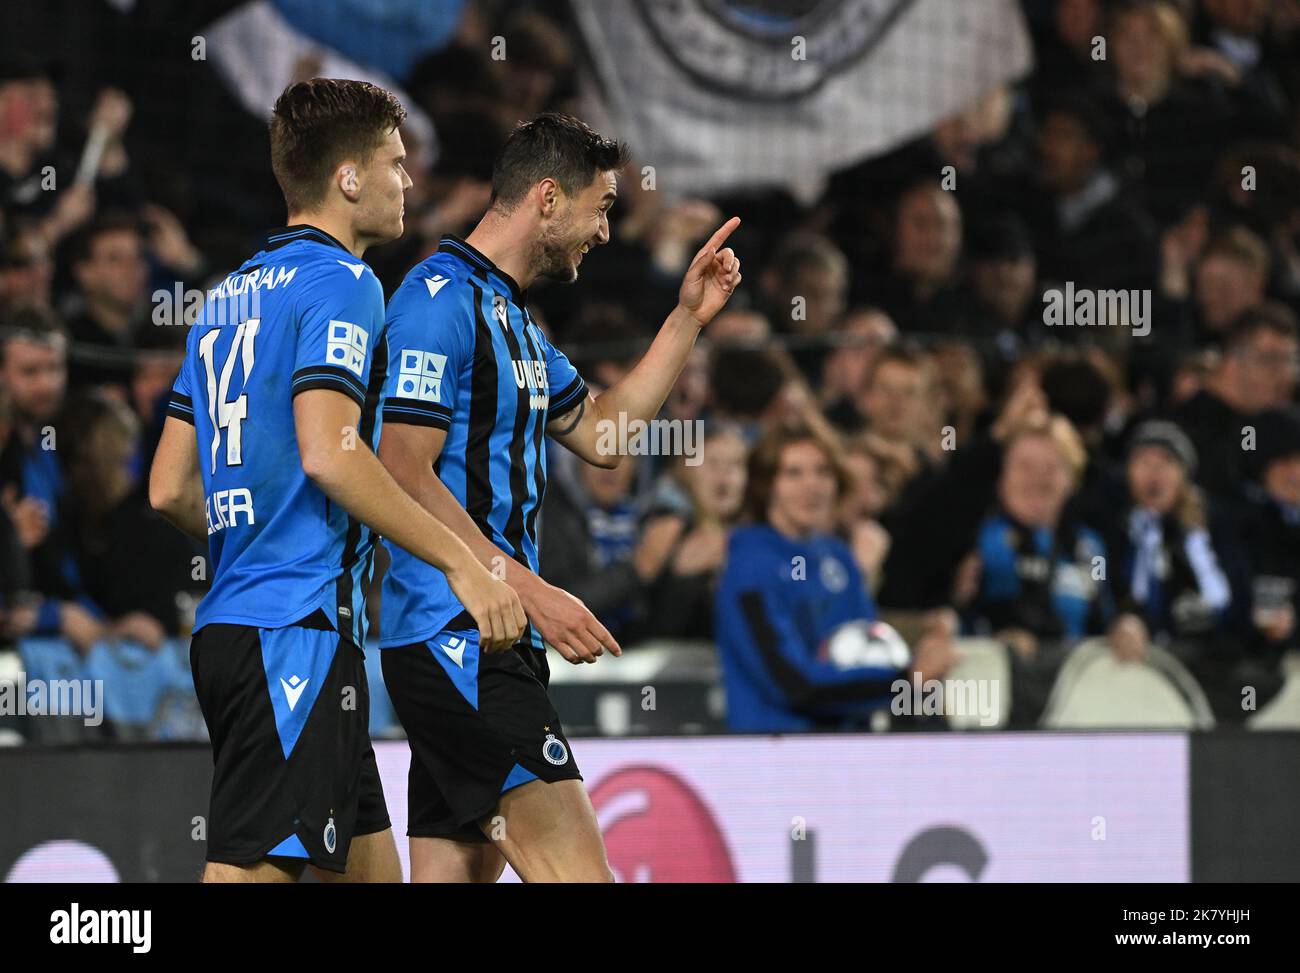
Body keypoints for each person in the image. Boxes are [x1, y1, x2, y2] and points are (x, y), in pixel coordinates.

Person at [147, 78, 524, 884]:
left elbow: (171, 490)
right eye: (394, 162)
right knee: (247, 874)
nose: (408, 181)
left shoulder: (224, 298)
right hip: (297, 629)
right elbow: (332, 451)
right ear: (348, 178)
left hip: (238, 629)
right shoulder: (346, 283)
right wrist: (465, 560)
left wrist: (256, 526)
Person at [375, 112, 742, 882]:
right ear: (548, 197)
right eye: (601, 207)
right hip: (461, 635)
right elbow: (403, 467)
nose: (605, 232)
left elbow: (604, 435)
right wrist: (530, 589)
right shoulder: (436, 300)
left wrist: (686, 319)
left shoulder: (512, 318)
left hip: (484, 636)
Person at [714, 424, 954, 733]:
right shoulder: (749, 569)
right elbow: (793, 684)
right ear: (765, 486)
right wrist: (904, 681)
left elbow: (868, 644)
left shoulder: (837, 558)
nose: (811, 486)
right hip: (773, 752)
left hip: (847, 748)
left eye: (822, 472)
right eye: (794, 473)